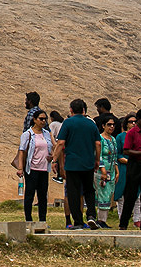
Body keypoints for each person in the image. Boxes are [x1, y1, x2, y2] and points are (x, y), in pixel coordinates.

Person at [53, 98, 102, 230]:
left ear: (71, 110)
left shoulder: (68, 123)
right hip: (88, 163)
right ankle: (91, 215)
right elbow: (98, 144)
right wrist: (97, 160)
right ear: (84, 110)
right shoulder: (91, 124)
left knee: (73, 193)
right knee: (89, 190)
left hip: (73, 164)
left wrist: (54, 160)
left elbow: (61, 143)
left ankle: (78, 221)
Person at [17, 108, 53, 222]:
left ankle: (43, 219)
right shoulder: (28, 134)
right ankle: (28, 219)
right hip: (32, 168)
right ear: (35, 119)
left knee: (43, 196)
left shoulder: (47, 134)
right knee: (30, 195)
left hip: (44, 168)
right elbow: (22, 151)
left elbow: (51, 146)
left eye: (45, 119)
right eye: (41, 119)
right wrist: (20, 168)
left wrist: (52, 157)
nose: (43, 121)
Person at [95, 115, 121, 227]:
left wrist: (117, 170)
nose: (111, 127)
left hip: (112, 170)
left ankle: (103, 220)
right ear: (103, 126)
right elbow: (98, 155)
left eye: (113, 125)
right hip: (102, 171)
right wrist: (103, 170)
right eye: (109, 125)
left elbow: (115, 157)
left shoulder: (113, 139)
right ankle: (100, 220)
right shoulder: (100, 138)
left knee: (109, 194)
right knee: (102, 194)